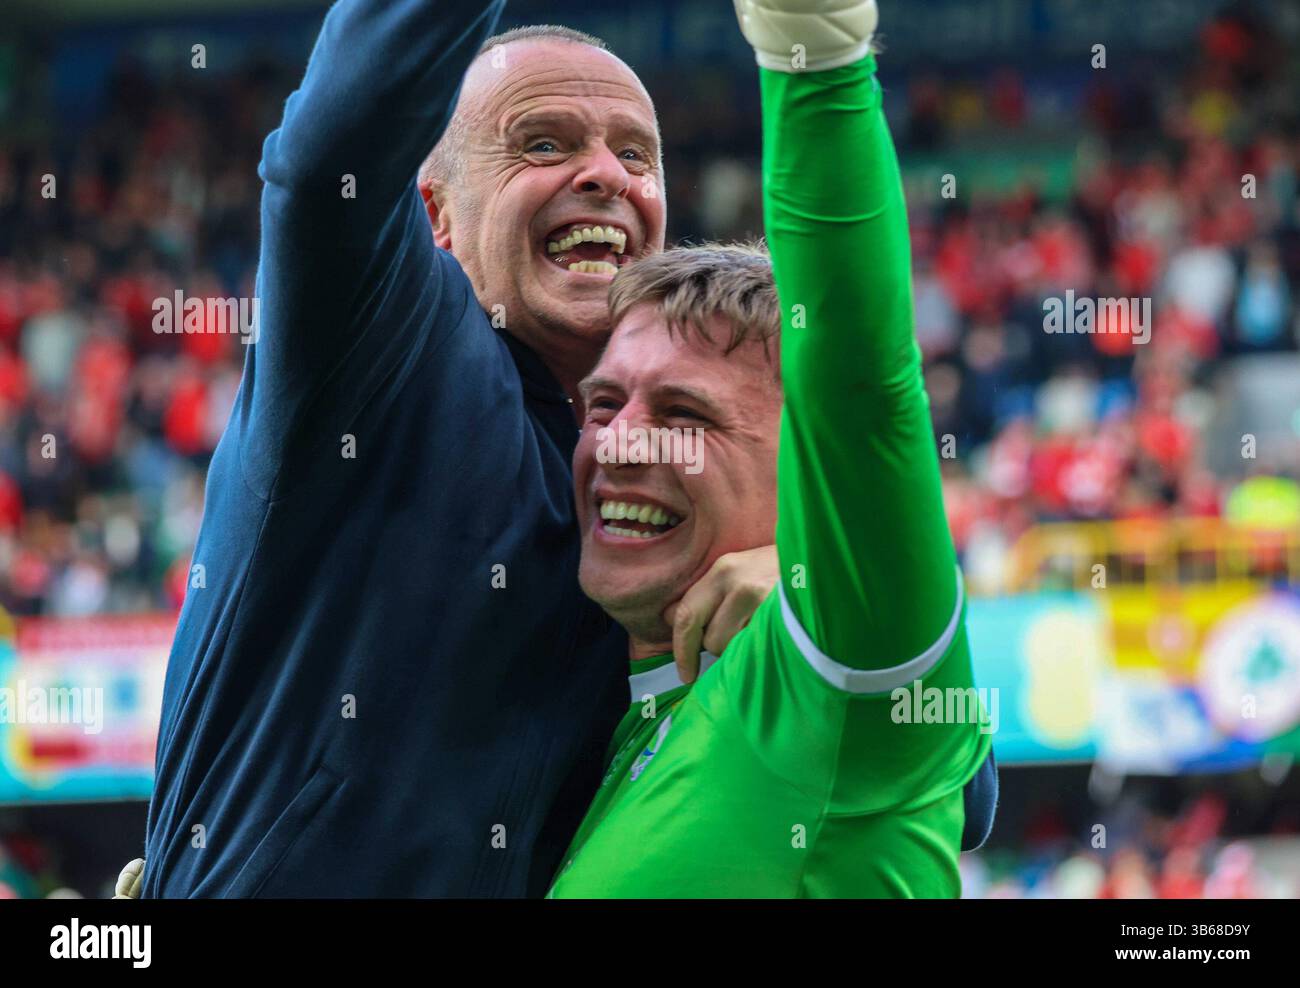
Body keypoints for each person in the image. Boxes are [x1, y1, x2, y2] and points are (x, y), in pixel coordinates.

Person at [140, 0, 776, 898]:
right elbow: (328, 163)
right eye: (544, 144)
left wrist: (808, 613)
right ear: (433, 211)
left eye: (637, 155)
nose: (606, 174)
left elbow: (944, 783)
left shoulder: (653, 477)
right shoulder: (383, 349)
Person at [546, 0, 993, 896]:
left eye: (686, 414)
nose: (619, 443)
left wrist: (812, 41)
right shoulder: (611, 712)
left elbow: (858, 367)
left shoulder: (823, 675)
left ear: (810, 471)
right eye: (602, 405)